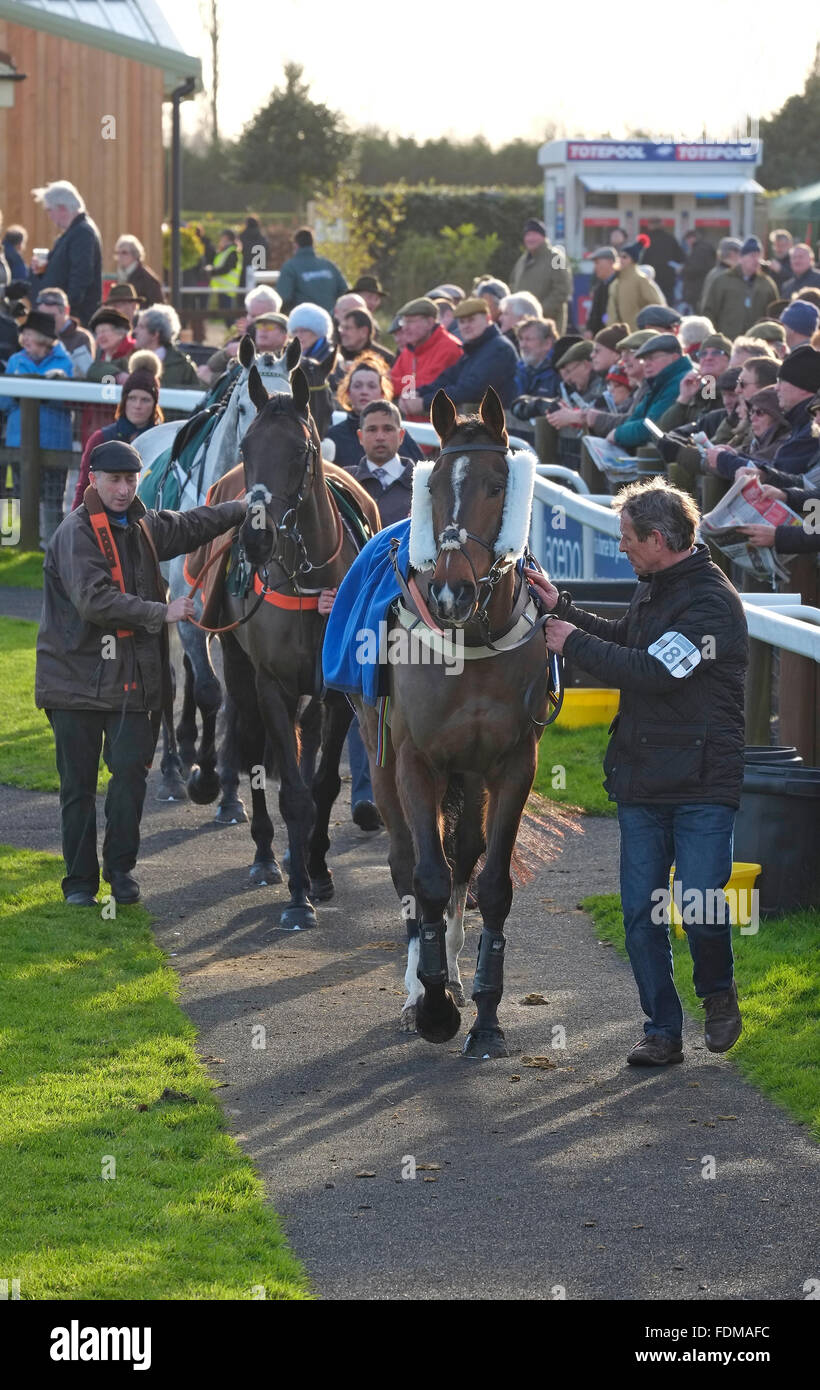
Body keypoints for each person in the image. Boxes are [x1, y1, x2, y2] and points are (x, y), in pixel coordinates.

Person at [528, 478, 748, 1065]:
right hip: (644, 778)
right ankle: (662, 1030)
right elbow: (631, 640)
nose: (620, 546)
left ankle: (717, 994)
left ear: (657, 538)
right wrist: (562, 609)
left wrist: (569, 641)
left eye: (626, 538)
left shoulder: (712, 604)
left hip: (703, 782)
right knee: (639, 912)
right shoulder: (655, 586)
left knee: (700, 904)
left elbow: (655, 671)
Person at [35, 440, 252, 906]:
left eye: (130, 479)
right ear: (93, 479)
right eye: (114, 479)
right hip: (73, 682)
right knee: (78, 787)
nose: (123, 488)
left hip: (131, 683)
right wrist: (162, 612)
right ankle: (78, 885)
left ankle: (120, 872)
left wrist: (240, 507)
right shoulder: (75, 533)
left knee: (131, 778)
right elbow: (94, 601)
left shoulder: (144, 524)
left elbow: (192, 525)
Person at [0, 310, 73, 540]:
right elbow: (3, 401)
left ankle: (53, 545)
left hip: (55, 443)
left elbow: (70, 402)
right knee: (17, 495)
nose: (25, 339)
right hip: (18, 440)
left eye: (30, 334)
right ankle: (11, 540)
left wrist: (52, 390)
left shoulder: (65, 362)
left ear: (43, 338)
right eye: (25, 334)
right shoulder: (15, 360)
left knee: (52, 499)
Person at [706, 345, 820, 481]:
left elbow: (780, 475)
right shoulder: (799, 423)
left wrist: (726, 461)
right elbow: (774, 469)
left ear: (803, 387)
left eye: (781, 382)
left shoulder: (811, 429)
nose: (776, 388)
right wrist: (735, 456)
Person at [73, 352, 163, 507]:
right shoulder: (101, 438)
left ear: (154, 404)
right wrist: (74, 526)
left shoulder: (163, 442)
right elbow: (84, 488)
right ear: (124, 401)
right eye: (132, 398)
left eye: (145, 400)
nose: (138, 405)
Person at [405, 297, 518, 414]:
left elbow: (472, 390)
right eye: (462, 322)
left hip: (498, 426)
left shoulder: (499, 348)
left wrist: (425, 402)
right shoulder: (475, 348)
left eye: (471, 320)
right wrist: (416, 393)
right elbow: (448, 378)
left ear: (487, 318)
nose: (466, 326)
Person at [325, 354, 423, 469]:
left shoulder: (400, 438)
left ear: (382, 393)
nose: (364, 392)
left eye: (371, 386)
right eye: (357, 386)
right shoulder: (332, 437)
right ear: (348, 393)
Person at [30, 180, 102, 326]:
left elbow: (81, 277)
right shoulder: (74, 233)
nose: (49, 215)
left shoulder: (82, 233)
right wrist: (41, 272)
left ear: (62, 208)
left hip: (72, 320)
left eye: (49, 210)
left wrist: (64, 312)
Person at [610, 334, 694, 451]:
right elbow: (635, 418)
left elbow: (650, 428)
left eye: (652, 358)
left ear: (674, 357)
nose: (646, 364)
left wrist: (617, 434)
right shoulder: (659, 382)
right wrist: (620, 432)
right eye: (644, 359)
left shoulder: (681, 382)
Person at [390, 297, 462, 420]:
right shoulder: (410, 350)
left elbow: (432, 385)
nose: (405, 328)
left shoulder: (450, 348)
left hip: (440, 428)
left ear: (429, 322)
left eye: (410, 322)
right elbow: (391, 383)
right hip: (411, 425)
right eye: (404, 322)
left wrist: (406, 387)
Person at [702, 237, 778, 340]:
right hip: (728, 341)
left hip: (757, 342)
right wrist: (713, 338)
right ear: (741, 258)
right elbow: (709, 311)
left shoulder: (767, 283)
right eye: (752, 256)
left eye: (759, 256)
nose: (756, 260)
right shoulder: (723, 280)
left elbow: (774, 314)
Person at [509, 218, 572, 334]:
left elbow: (563, 290)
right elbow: (513, 285)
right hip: (523, 326)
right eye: (527, 235)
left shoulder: (556, 257)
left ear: (543, 237)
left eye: (534, 234)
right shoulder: (522, 260)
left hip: (547, 326)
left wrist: (538, 313)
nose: (530, 238)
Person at [276, 227, 347, 314]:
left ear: (295, 245)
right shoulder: (328, 265)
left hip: (303, 321)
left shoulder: (290, 267)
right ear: (313, 244)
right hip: (329, 320)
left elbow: (284, 297)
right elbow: (344, 291)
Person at [132, 305, 199, 389]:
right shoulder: (129, 357)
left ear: (155, 334)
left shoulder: (183, 366)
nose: (135, 331)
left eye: (141, 327)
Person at [35, 286, 94, 378]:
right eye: (42, 317)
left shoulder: (81, 338)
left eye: (52, 316)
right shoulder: (33, 337)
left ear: (66, 311)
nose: (47, 322)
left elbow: (85, 374)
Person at [607, 237, 664, 330]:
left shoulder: (641, 280)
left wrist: (644, 325)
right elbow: (611, 311)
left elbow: (656, 304)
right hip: (619, 333)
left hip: (638, 333)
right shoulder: (616, 283)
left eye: (625, 257)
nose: (620, 259)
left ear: (633, 260)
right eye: (619, 256)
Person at [336, 307, 394, 374]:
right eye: (341, 328)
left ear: (364, 331)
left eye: (347, 328)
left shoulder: (385, 359)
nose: (342, 333)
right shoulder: (336, 356)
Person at [641, 218, 685, 302]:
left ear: (649, 226)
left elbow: (640, 259)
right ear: (662, 225)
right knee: (667, 304)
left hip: (649, 278)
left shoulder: (645, 240)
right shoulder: (670, 238)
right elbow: (681, 257)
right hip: (667, 279)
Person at [114, 235, 165, 306]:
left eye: (124, 252)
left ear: (135, 254)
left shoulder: (148, 279)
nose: (119, 256)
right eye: (117, 253)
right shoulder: (120, 276)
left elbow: (159, 307)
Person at [699, 237, 742, 311]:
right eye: (740, 254)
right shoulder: (721, 275)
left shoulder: (715, 273)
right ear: (732, 254)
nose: (742, 258)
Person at [207, 229, 241, 315]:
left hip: (228, 288)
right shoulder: (226, 251)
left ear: (226, 238)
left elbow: (226, 268)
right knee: (225, 314)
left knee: (228, 315)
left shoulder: (232, 252)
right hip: (223, 287)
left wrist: (212, 271)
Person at [586, 246, 618, 336]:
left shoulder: (621, 284)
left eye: (597, 263)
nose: (595, 267)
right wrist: (590, 329)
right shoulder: (600, 286)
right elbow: (594, 313)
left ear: (610, 262)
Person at [680, 229, 716, 311]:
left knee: (698, 311)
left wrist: (683, 270)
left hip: (697, 288)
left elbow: (696, 269)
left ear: (692, 238)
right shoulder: (705, 247)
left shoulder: (699, 250)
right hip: (703, 286)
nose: (687, 244)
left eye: (687, 241)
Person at [239, 216, 270, 288]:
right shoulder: (263, 239)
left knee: (244, 296)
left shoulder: (242, 237)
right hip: (259, 273)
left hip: (244, 272)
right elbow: (267, 255)